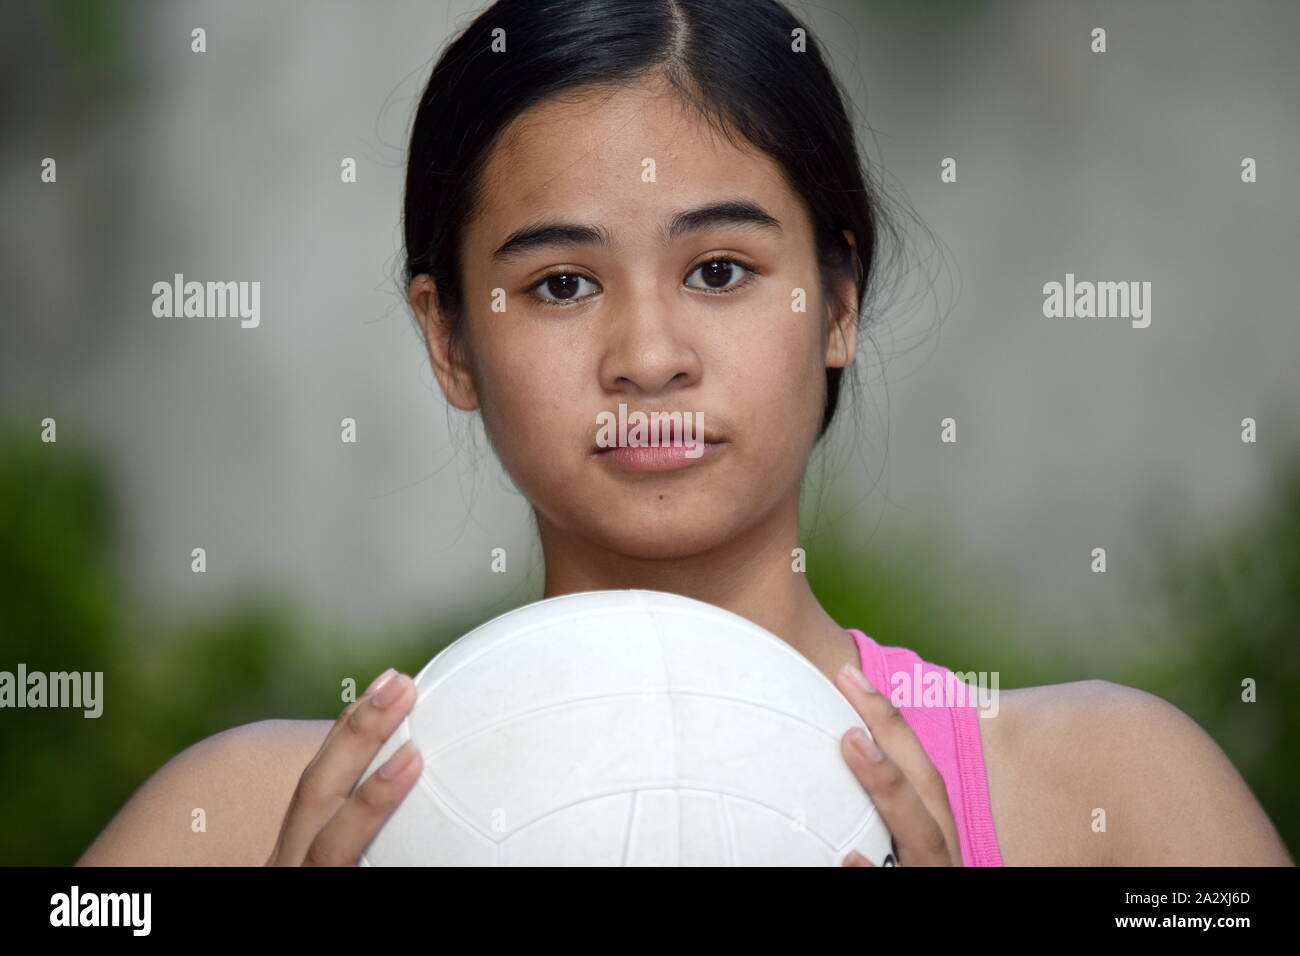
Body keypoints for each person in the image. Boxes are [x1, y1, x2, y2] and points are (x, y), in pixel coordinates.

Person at [77, 0, 1292, 867]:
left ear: (839, 300)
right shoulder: (249, 821)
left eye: (719, 268)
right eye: (560, 282)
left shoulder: (1106, 798)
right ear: (447, 337)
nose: (648, 354)